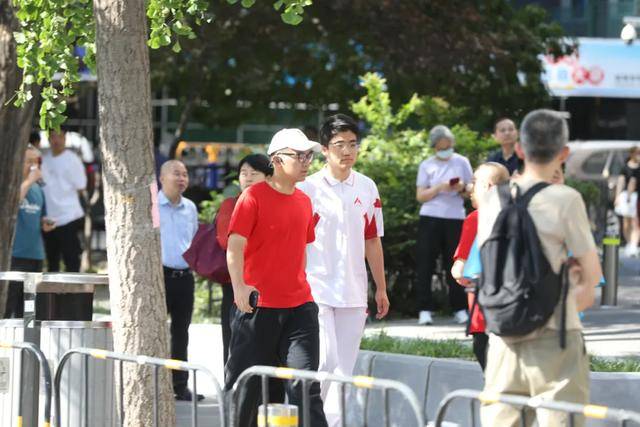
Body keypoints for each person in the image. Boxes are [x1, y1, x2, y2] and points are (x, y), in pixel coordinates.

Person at [477, 110, 602, 427]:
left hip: (502, 337)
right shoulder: (565, 199)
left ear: (519, 149)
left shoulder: (492, 200)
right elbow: (593, 276)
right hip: (555, 336)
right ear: (564, 153)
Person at [225, 128, 328, 427]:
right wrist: (239, 288)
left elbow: (301, 249)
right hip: (257, 307)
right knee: (246, 389)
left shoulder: (304, 200)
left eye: (308, 156)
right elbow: (235, 246)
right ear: (277, 159)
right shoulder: (253, 197)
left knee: (305, 386)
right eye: (299, 156)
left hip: (300, 308)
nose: (306, 162)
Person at [298, 114, 389, 426]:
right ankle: (310, 418)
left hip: (353, 289)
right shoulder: (307, 189)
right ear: (324, 149)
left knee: (344, 371)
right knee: (325, 359)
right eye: (339, 145)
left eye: (353, 144)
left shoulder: (367, 186)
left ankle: (331, 423)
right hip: (316, 287)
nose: (347, 151)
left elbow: (372, 240)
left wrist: (381, 287)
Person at [450, 162, 509, 371]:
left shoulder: (476, 218)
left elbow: (459, 270)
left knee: (486, 356)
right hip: (514, 309)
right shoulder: (519, 215)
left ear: (489, 187)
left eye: (475, 182)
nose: (470, 188)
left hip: (483, 309)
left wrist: (458, 271)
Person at [215, 154, 272, 365]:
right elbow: (226, 241)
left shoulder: (276, 204)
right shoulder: (231, 205)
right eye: (243, 173)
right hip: (237, 283)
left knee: (267, 349)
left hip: (269, 286)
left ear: (268, 177)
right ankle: (233, 386)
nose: (247, 177)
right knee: (235, 346)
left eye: (254, 173)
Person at [415, 125, 473, 325]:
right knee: (425, 263)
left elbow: (471, 190)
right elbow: (420, 195)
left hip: (455, 217)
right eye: (441, 147)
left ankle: (460, 308)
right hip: (430, 217)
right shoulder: (426, 165)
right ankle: (424, 309)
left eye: (448, 146)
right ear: (434, 147)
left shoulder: (462, 161)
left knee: (455, 262)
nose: (445, 150)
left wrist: (462, 188)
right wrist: (440, 187)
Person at [158, 160, 201, 401]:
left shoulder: (190, 207)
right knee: (156, 331)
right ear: (162, 178)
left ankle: (180, 384)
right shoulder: (153, 206)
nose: (182, 178)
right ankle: (157, 383)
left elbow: (193, 239)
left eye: (185, 174)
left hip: (184, 277)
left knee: (181, 332)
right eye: (176, 173)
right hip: (160, 277)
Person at [7, 144, 55, 318]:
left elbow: (41, 215)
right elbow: (11, 204)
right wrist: (28, 182)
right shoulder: (12, 185)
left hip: (35, 255)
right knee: (8, 305)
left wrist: (45, 223)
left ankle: (26, 335)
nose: (34, 167)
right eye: (29, 162)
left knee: (29, 309)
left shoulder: (37, 189)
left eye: (36, 162)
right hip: (14, 255)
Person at [41, 127, 87, 272]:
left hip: (68, 216)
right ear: (48, 139)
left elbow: (81, 187)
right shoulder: (44, 160)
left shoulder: (73, 160)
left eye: (60, 136)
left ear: (65, 138)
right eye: (53, 137)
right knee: (52, 261)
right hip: (49, 217)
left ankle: (73, 288)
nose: (57, 140)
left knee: (71, 259)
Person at [615, 146, 640, 256]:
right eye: (637, 153)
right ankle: (630, 243)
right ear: (632, 154)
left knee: (635, 222)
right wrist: (617, 196)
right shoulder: (625, 167)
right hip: (628, 197)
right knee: (626, 222)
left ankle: (634, 245)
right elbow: (621, 182)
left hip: (636, 197)